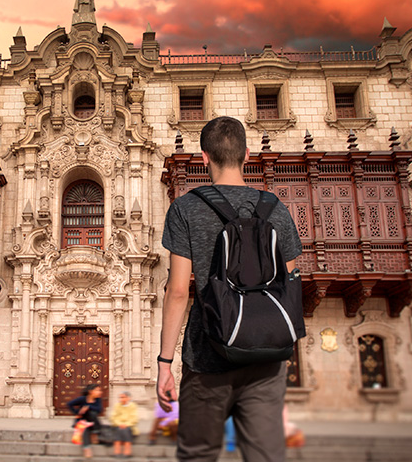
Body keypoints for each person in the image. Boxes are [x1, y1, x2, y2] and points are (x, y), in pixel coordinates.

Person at [159, 116, 302, 462]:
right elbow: (292, 283)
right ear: (247, 155)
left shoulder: (186, 208)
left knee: (199, 454)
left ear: (204, 157)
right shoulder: (275, 208)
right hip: (267, 360)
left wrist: (165, 363)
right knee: (265, 456)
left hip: (208, 356)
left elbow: (178, 291)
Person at [68, 384, 104, 459]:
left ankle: (94, 434)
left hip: (93, 422)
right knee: (85, 428)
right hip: (82, 421)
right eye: (97, 390)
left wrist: (87, 407)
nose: (100, 392)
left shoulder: (97, 399)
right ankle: (87, 448)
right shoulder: (82, 399)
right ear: (91, 391)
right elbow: (69, 404)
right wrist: (77, 413)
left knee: (92, 414)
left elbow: (99, 410)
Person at [110, 391, 138, 458]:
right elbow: (113, 417)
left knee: (126, 430)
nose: (121, 399)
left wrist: (126, 424)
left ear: (128, 398)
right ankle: (117, 451)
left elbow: (134, 418)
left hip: (128, 425)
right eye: (120, 397)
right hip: (118, 425)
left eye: (123, 397)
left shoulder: (132, 406)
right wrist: (119, 424)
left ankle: (127, 451)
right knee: (119, 429)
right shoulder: (117, 406)